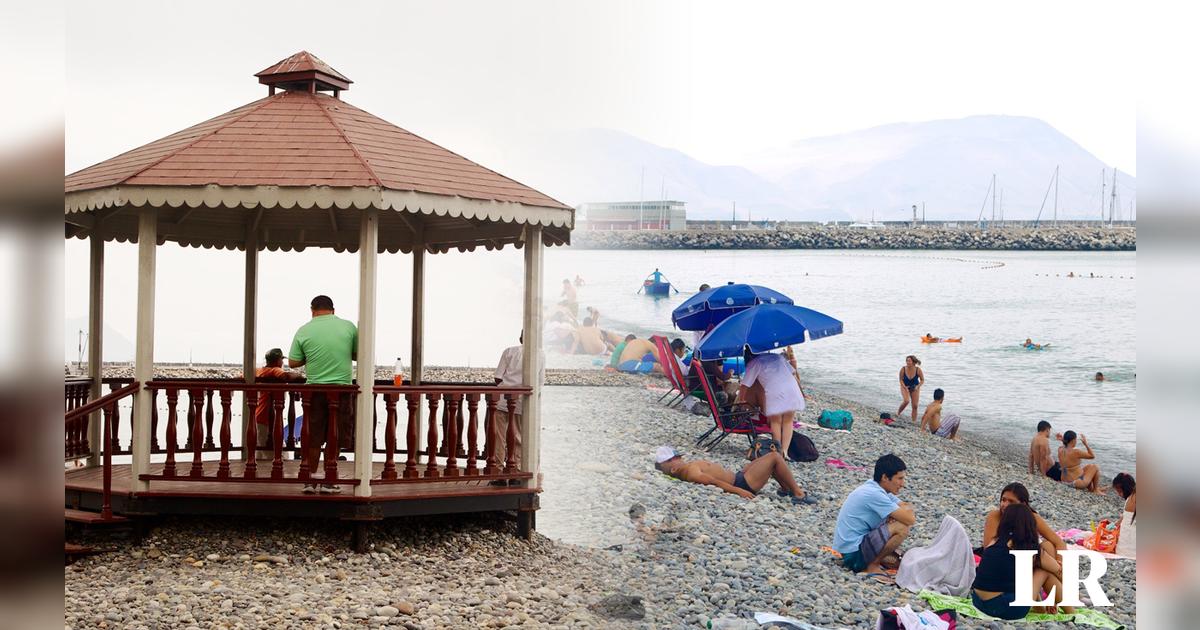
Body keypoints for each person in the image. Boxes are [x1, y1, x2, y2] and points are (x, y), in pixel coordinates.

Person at [288, 295, 358, 494]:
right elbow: (356, 354)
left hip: (315, 391)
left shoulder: (304, 329)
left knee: (313, 437)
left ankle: (309, 480)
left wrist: (311, 356)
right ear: (333, 310)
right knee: (335, 435)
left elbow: (293, 362)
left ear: (312, 310)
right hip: (342, 390)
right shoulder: (348, 327)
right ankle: (329, 480)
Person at [972, 503, 1073, 619]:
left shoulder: (994, 541)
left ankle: (1040, 609)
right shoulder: (1027, 547)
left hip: (978, 602)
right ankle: (1071, 612)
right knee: (1045, 572)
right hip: (1002, 608)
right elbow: (1057, 569)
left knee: (1034, 570)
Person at [833, 454, 915, 582]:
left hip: (852, 547)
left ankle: (875, 560)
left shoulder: (877, 488)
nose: (902, 484)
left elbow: (906, 507)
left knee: (898, 561)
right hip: (853, 554)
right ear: (885, 477)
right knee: (901, 527)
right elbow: (910, 520)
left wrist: (895, 515)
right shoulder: (874, 494)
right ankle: (872, 565)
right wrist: (895, 516)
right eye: (899, 479)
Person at [653, 446, 816, 504]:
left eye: (678, 456)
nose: (680, 458)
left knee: (766, 459)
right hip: (742, 483)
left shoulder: (687, 469)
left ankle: (786, 488)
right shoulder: (691, 472)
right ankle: (798, 494)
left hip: (739, 477)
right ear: (672, 468)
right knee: (774, 457)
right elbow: (714, 482)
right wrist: (739, 491)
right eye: (675, 458)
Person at [981, 482, 1067, 584]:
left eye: (1011, 502)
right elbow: (989, 548)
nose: (1005, 505)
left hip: (1026, 559)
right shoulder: (995, 516)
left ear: (1023, 505)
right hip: (1004, 561)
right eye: (1003, 500)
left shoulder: (1031, 517)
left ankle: (1062, 585)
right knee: (1043, 568)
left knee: (1048, 546)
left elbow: (1059, 543)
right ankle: (1070, 591)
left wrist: (1059, 562)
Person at [490, 333, 544, 486]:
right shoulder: (540, 355)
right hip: (522, 402)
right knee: (518, 437)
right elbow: (540, 382)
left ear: (520, 338)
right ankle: (515, 471)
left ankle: (499, 473)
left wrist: (507, 389)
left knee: (499, 437)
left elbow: (498, 378)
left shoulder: (509, 351)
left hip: (502, 400)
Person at [736, 350, 804, 459]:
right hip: (792, 388)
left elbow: (745, 385)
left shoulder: (754, 363)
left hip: (775, 390)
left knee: (775, 422)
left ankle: (777, 450)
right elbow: (792, 372)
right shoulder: (777, 357)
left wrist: (741, 400)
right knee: (788, 421)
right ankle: (785, 452)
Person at [252, 348, 306, 460]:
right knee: (276, 454)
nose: (282, 363)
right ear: (277, 361)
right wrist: (299, 376)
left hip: (260, 415)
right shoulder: (274, 370)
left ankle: (260, 474)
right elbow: (285, 376)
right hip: (266, 417)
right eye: (281, 360)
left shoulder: (259, 371)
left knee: (261, 450)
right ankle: (274, 475)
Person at [1112, 473, 1136, 558]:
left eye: (1119, 491)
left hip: (1121, 550)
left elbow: (1124, 517)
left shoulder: (1130, 499)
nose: (1119, 495)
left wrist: (1112, 526)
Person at [896, 355, 924, 424]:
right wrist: (905, 387)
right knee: (906, 401)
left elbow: (922, 380)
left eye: (909, 361)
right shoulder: (903, 369)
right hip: (904, 386)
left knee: (915, 405)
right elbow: (900, 380)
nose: (907, 362)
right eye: (907, 361)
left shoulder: (918, 370)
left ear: (913, 362)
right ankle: (898, 413)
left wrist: (918, 386)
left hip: (915, 388)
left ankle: (913, 421)